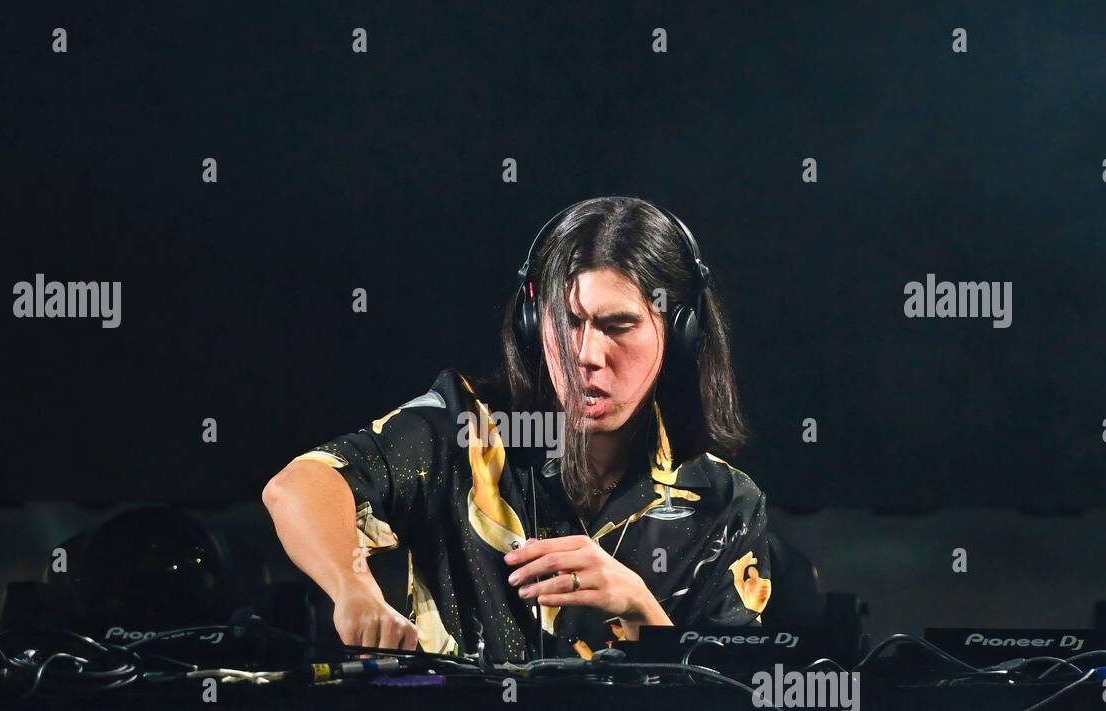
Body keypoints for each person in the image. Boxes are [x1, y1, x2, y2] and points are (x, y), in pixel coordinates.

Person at [263, 196, 772, 662]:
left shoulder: (726, 503)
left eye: (619, 326)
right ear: (533, 322)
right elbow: (300, 486)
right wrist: (353, 589)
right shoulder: (463, 428)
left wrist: (640, 609)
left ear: (681, 333)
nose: (587, 356)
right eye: (567, 322)